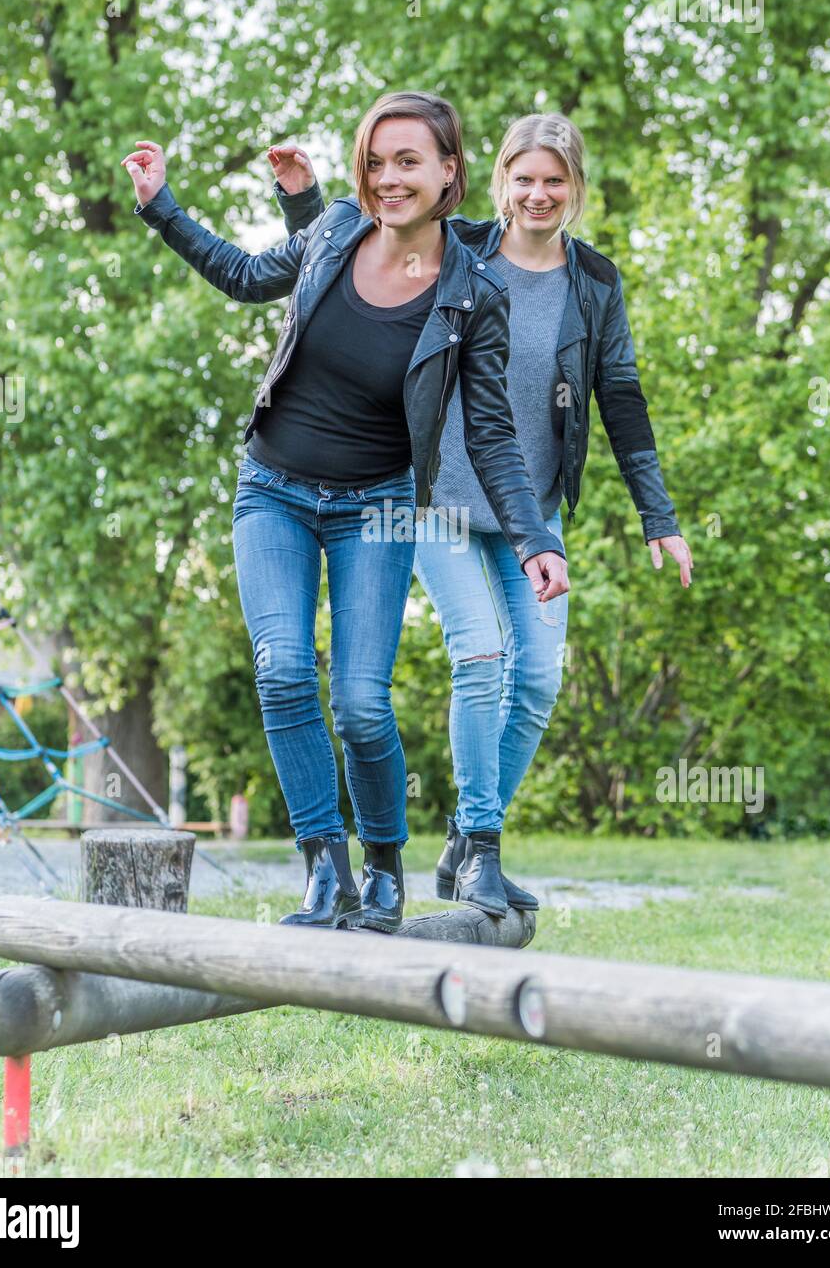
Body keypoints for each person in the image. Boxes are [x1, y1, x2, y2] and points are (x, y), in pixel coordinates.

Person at [121, 91, 567, 933]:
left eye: (407, 162)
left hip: (376, 506)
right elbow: (246, 276)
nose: (388, 177)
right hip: (274, 491)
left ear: (448, 172)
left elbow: (496, 438)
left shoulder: (475, 294)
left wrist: (535, 538)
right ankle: (325, 868)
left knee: (361, 702)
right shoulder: (331, 231)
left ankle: (385, 866)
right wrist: (161, 206)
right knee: (283, 668)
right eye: (374, 161)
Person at [270, 112, 692, 917]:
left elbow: (623, 401)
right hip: (429, 498)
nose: (537, 194)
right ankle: (482, 849)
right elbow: (343, 249)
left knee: (535, 680)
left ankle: (465, 844)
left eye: (554, 180)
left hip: (527, 512)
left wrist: (657, 515)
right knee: (482, 654)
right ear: (497, 179)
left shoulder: (594, 284)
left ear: (574, 189)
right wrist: (302, 199)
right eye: (523, 178)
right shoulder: (452, 249)